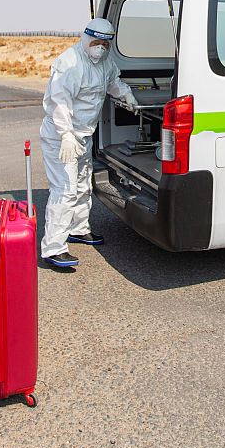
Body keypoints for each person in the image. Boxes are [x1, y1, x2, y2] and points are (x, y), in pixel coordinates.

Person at [39, 18, 138, 268]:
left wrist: (126, 94)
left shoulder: (105, 62)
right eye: (97, 41)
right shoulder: (69, 63)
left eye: (105, 43)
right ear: (86, 38)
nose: (101, 47)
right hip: (62, 137)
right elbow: (59, 103)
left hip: (83, 135)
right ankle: (53, 247)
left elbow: (112, 82)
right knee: (65, 188)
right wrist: (66, 136)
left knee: (83, 183)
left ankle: (79, 229)